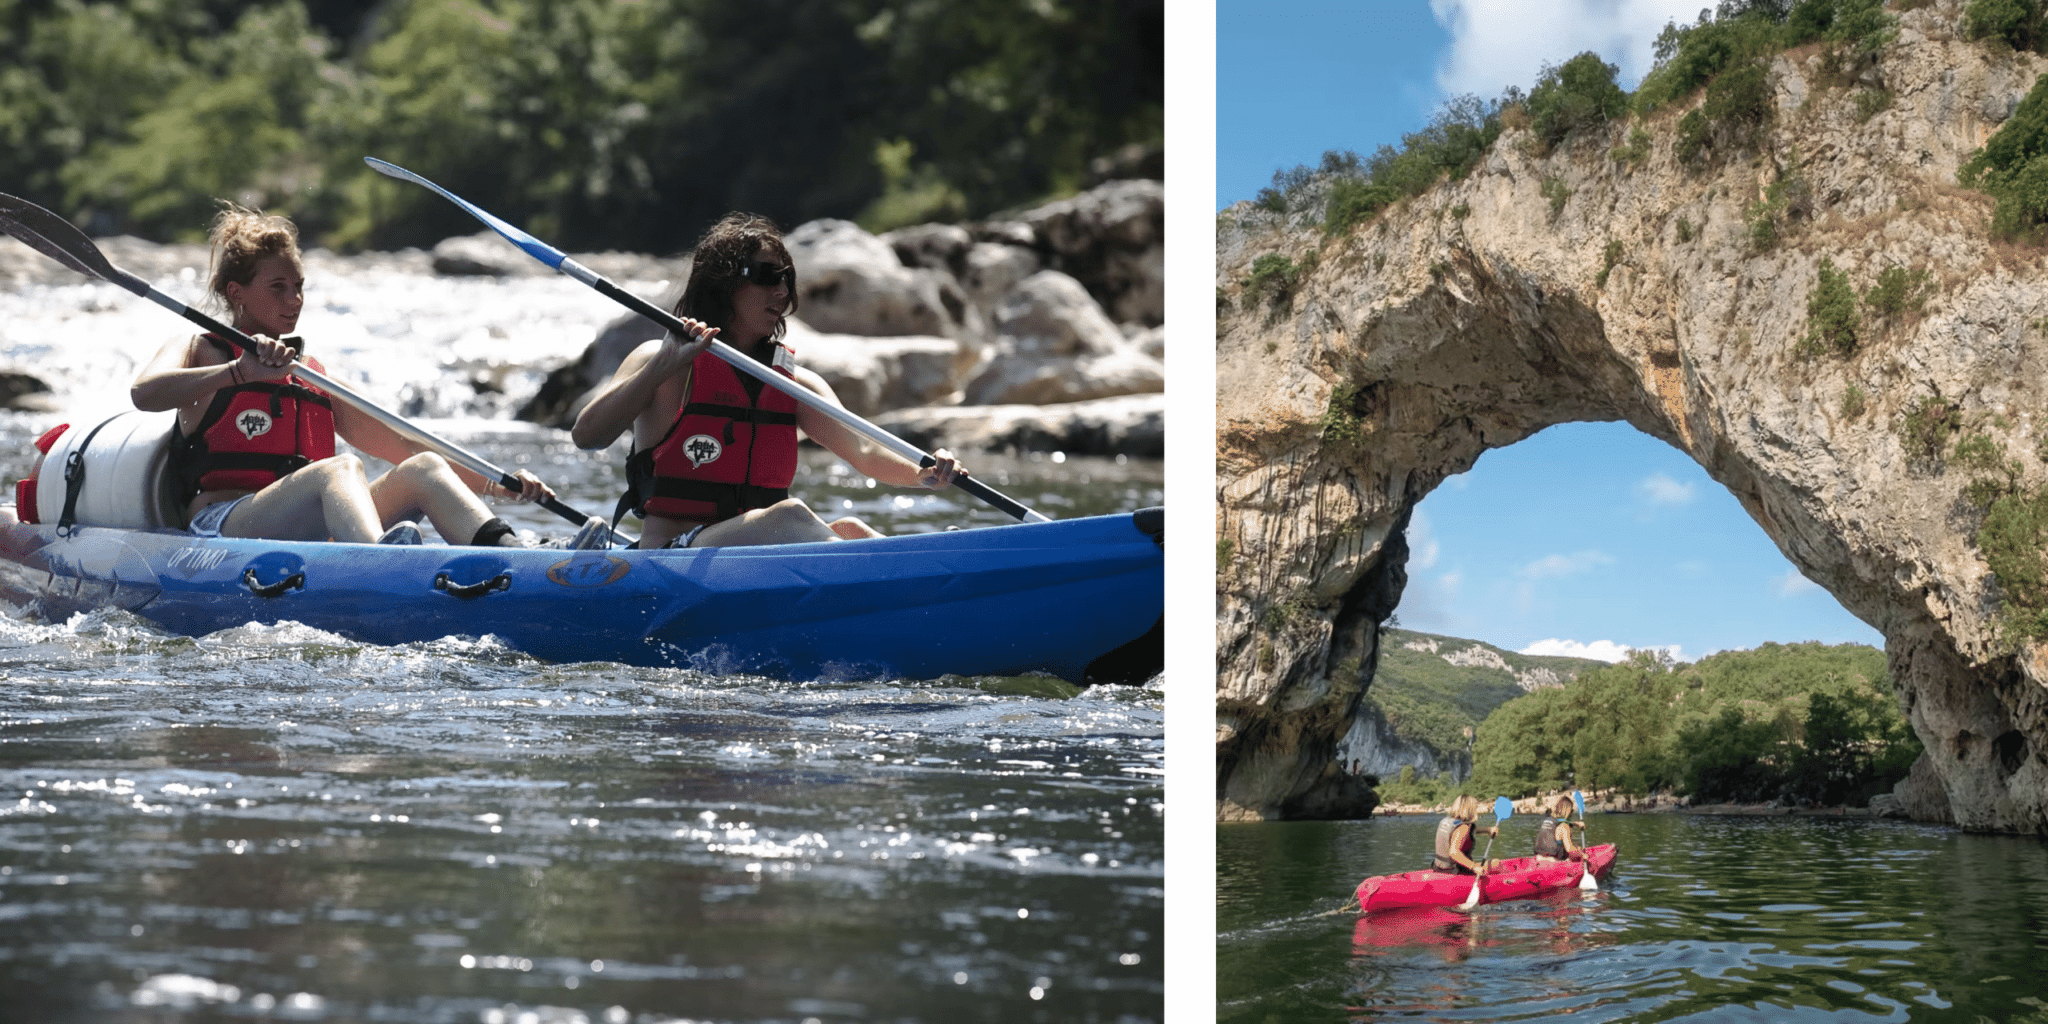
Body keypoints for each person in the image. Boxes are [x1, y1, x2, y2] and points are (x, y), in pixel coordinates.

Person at [131, 204, 606, 548]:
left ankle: (515, 557)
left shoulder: (312, 377)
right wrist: (238, 372)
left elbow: (401, 444)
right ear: (237, 294)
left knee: (424, 468)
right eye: (277, 287)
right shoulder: (201, 348)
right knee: (339, 469)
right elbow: (145, 393)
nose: (294, 300)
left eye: (298, 287)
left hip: (309, 527)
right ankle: (381, 564)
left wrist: (492, 482)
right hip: (224, 522)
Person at [571, 213, 961, 549]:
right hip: (673, 556)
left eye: (787, 279)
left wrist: (924, 473)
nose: (781, 290)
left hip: (754, 559)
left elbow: (864, 451)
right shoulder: (663, 364)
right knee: (790, 515)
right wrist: (662, 365)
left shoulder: (794, 384)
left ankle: (929, 579)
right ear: (723, 284)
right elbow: (588, 436)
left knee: (851, 530)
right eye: (766, 276)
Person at [1431, 794, 1498, 876]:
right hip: (1455, 871)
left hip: (1439, 868)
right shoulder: (1463, 827)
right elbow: (1454, 853)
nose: (1477, 810)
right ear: (1470, 809)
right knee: (1496, 864)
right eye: (1475, 807)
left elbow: (1469, 831)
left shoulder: (1447, 821)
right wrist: (1473, 866)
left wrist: (1488, 830)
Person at [1533, 794, 1584, 862]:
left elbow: (1561, 821)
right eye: (1571, 811)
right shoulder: (1564, 826)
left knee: (1565, 844)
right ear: (1567, 810)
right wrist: (1582, 855)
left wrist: (1576, 823)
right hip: (1553, 859)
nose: (1571, 814)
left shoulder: (1548, 819)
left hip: (1539, 855)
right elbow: (1569, 849)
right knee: (1572, 849)